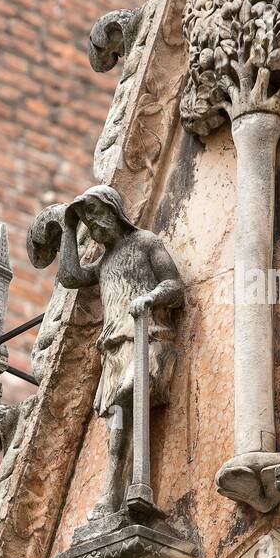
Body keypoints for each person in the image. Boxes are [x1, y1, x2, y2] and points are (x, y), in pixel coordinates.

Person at [58, 185, 184, 519]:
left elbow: (174, 285)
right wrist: (68, 228)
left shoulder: (146, 243)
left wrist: (150, 298)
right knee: (117, 422)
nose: (95, 229)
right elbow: (70, 276)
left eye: (97, 219)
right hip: (114, 349)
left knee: (130, 393)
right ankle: (114, 490)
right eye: (89, 225)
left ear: (114, 211)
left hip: (147, 340)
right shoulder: (104, 261)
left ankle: (130, 485)